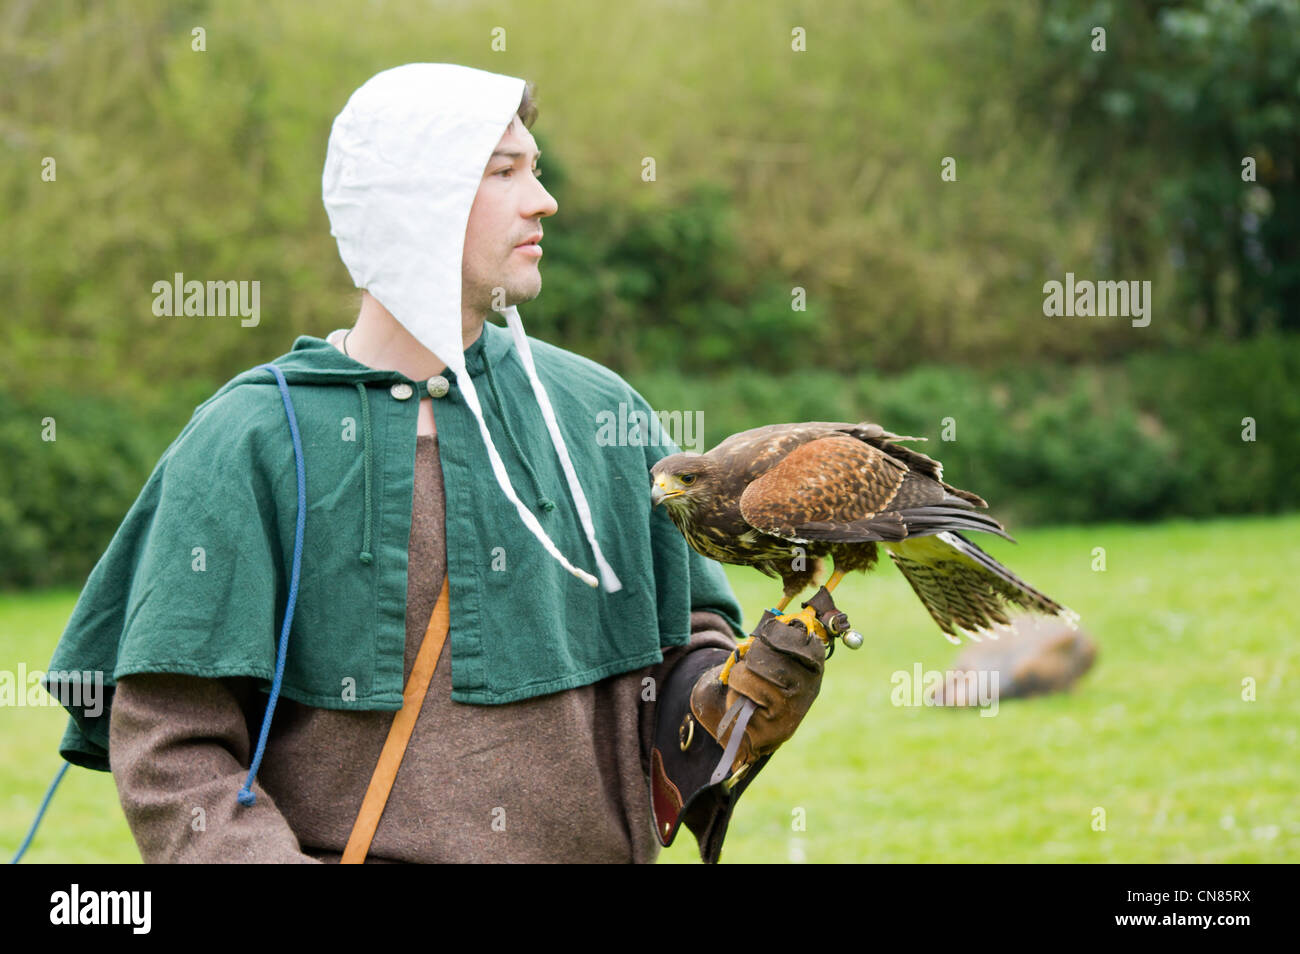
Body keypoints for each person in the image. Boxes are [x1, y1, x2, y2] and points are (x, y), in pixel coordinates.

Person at [43, 63, 826, 864]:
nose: (543, 198)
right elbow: (174, 743)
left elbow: (680, 647)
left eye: (537, 166)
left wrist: (726, 697)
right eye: (504, 171)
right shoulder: (251, 439)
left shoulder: (601, 415)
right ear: (414, 203)